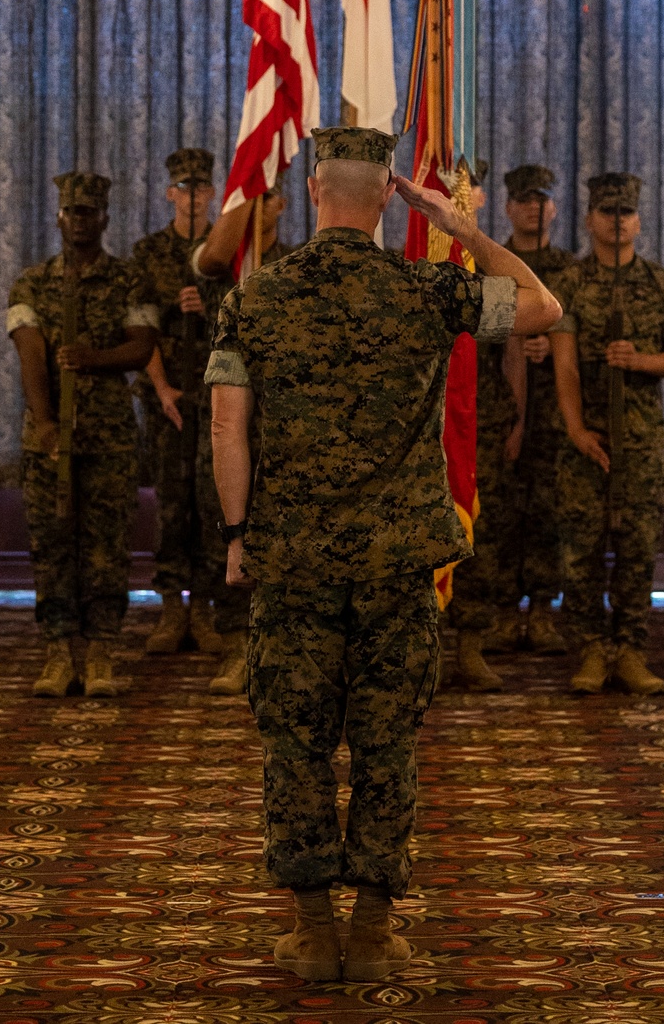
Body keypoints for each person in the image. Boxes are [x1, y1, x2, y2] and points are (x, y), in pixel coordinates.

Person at [206, 128, 561, 983]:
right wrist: (463, 230)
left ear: (318, 193)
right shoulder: (430, 289)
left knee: (295, 742)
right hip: (399, 563)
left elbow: (227, 425)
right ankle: (371, 931)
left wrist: (235, 535)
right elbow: (543, 308)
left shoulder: (256, 298)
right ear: (386, 199)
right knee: (385, 742)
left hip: (291, 561)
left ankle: (311, 931)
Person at [7, 173, 157, 698]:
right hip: (46, 441)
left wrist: (93, 359)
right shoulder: (31, 283)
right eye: (73, 212)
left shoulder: (129, 281)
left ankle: (100, 653)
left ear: (105, 219)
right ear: (59, 217)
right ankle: (57, 652)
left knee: (107, 548)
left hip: (110, 438)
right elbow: (30, 356)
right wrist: (46, 423)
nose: (81, 221)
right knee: (50, 546)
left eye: (90, 212)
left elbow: (140, 349)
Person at [550, 173, 664, 696]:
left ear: (638, 220)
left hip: (640, 440)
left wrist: (640, 359)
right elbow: (564, 367)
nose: (618, 220)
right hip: (584, 438)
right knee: (580, 548)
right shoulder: (568, 284)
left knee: (637, 548)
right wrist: (576, 429)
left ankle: (631, 649)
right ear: (589, 219)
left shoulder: (663, 284)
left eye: (626, 212)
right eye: (607, 211)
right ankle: (590, 650)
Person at [191, 176, 292, 695]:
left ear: (286, 203)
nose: (261, 207)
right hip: (230, 411)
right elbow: (208, 260)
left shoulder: (300, 264)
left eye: (268, 197)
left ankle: (282, 650)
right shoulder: (228, 263)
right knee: (231, 531)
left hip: (284, 424)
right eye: (254, 197)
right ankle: (237, 647)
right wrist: (244, 191)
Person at [131, 148, 219, 656]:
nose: (190, 197)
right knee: (170, 504)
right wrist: (161, 388)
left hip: (217, 397)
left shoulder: (225, 251)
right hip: (166, 398)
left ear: (211, 195)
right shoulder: (148, 253)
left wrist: (207, 307)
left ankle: (205, 608)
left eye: (200, 189)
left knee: (210, 503)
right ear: (169, 194)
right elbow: (141, 329)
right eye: (182, 189)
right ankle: (170, 608)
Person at [444, 161, 520, 692]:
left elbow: (515, 335)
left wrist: (516, 414)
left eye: (466, 192)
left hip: (484, 419)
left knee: (481, 533)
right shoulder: (417, 258)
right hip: (429, 417)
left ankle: (469, 644)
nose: (458, 198)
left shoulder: (486, 261)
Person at [498, 164, 575, 654]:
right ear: (507, 207)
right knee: (503, 509)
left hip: (554, 413)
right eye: (524, 199)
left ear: (555, 207)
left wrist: (554, 346)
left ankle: (544, 610)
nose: (533, 207)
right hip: (501, 410)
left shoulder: (571, 269)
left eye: (542, 199)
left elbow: (584, 339)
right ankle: (504, 611)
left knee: (550, 510)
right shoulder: (494, 262)